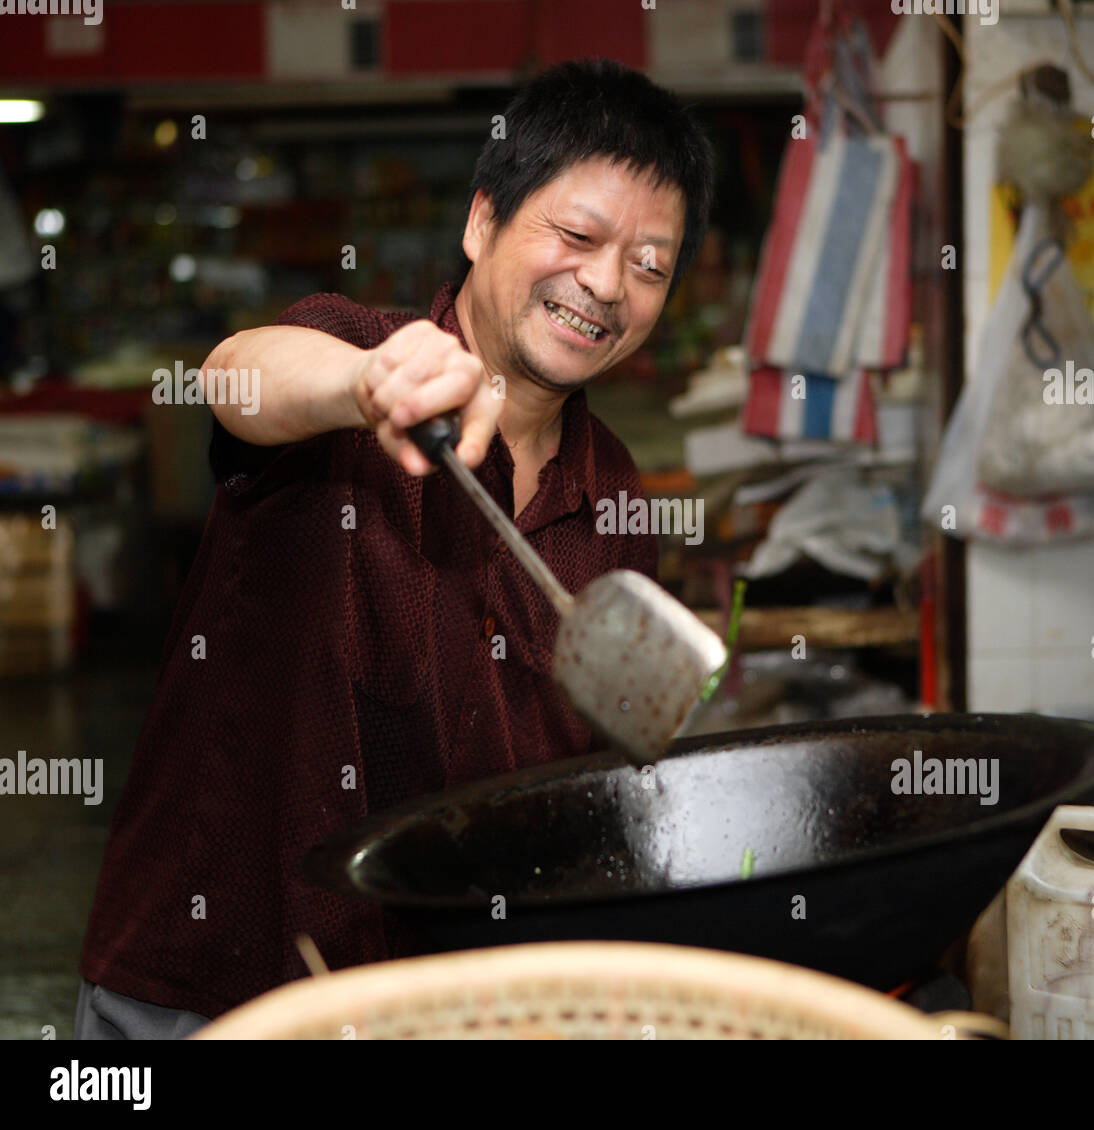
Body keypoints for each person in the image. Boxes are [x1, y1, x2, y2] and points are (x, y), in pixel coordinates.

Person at [74, 57, 714, 1038]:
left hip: (441, 1008)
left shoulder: (616, 487)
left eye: (649, 264)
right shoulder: (356, 360)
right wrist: (365, 384)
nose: (604, 282)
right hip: (215, 983)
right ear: (481, 222)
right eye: (578, 234)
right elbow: (238, 377)